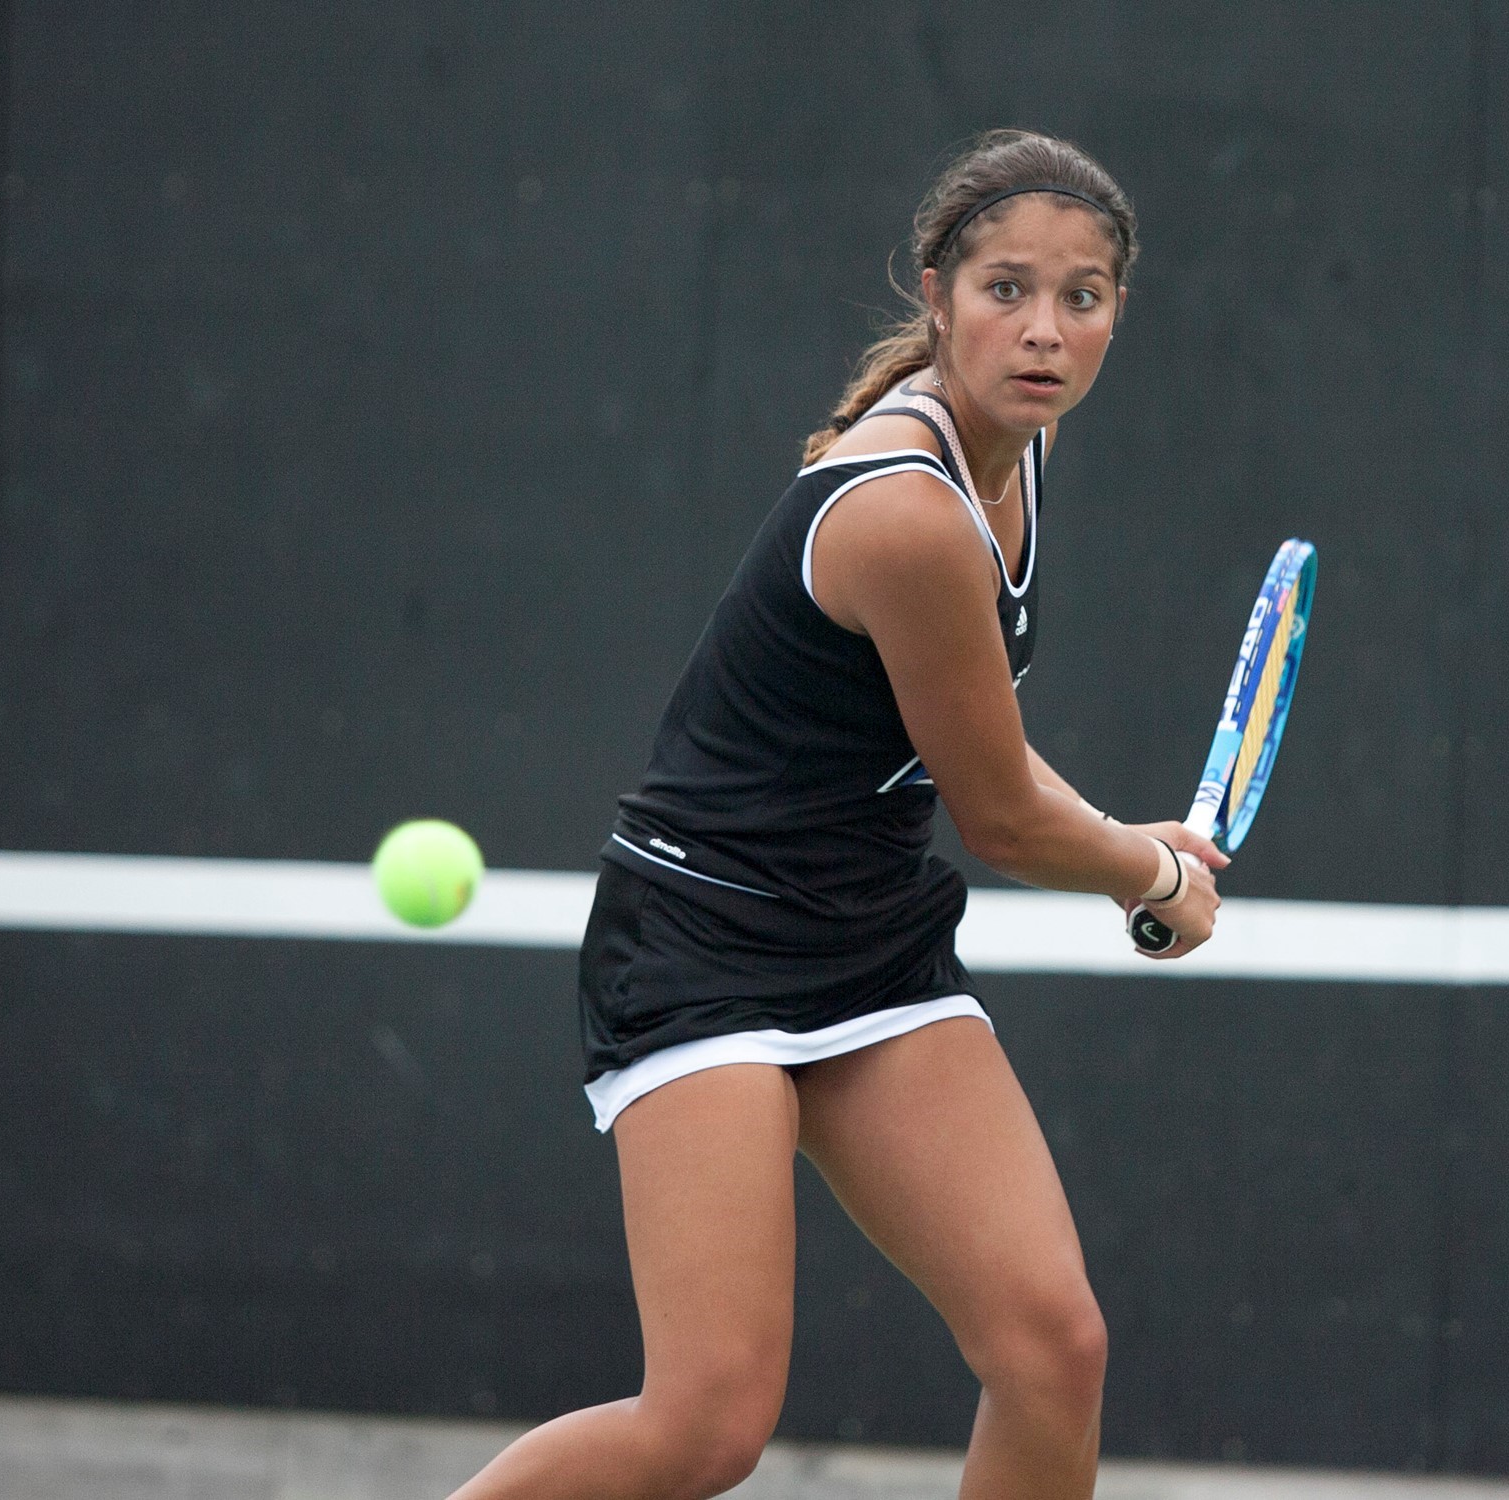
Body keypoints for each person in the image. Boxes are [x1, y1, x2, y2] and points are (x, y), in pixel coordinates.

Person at [450, 128, 1226, 1500]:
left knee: (1053, 1349)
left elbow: (982, 759)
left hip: (867, 940)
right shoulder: (908, 516)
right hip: (700, 947)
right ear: (935, 297)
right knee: (706, 1427)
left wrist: (1132, 847)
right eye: (1006, 290)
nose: (1044, 330)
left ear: (1117, 313)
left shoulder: (1017, 455)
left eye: (1083, 297)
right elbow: (997, 812)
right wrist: (1146, 877)